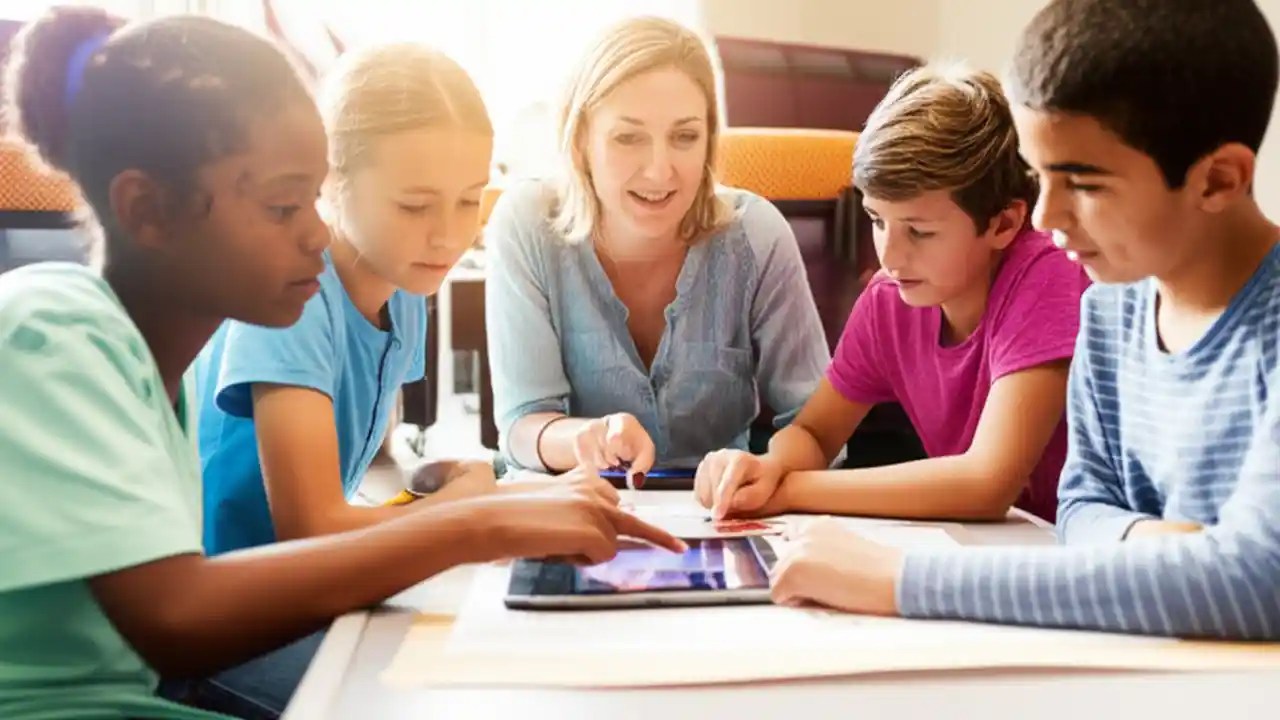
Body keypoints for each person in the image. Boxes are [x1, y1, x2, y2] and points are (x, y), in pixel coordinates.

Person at [0, 8, 683, 720]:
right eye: (284, 205)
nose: (318, 232)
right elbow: (176, 619)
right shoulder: (52, 330)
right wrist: (478, 520)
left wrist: (466, 507)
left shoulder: (140, 370)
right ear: (147, 209)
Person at [768, 0, 1280, 641]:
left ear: (1218, 180)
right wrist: (1147, 541)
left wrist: (901, 581)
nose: (1045, 219)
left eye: (1085, 185)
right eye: (1042, 179)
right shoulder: (1109, 309)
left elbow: (1258, 580)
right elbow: (1080, 504)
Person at [695, 65, 1089, 524]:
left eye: (919, 232)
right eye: (878, 220)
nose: (891, 257)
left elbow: (986, 485)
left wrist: (793, 489)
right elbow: (816, 434)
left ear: (1003, 223)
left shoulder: (1049, 272)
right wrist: (768, 468)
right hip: (995, 550)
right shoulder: (891, 299)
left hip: (1082, 553)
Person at [484, 16, 830, 485]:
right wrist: (586, 437)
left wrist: (767, 469)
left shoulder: (756, 235)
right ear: (582, 138)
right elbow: (523, 423)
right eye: (628, 137)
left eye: (685, 137)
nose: (659, 171)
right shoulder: (525, 224)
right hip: (581, 510)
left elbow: (817, 425)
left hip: (719, 515)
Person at [197, 43, 502, 558]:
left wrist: (424, 490)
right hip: (233, 603)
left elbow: (359, 481)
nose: (449, 236)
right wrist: (464, 510)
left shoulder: (401, 283)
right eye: (415, 206)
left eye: (469, 199)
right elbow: (311, 530)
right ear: (329, 180)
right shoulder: (290, 297)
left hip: (307, 588)